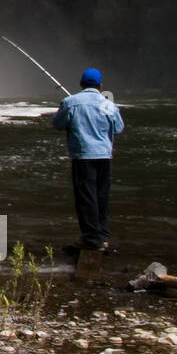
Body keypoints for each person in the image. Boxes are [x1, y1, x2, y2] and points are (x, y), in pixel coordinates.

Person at [52, 68, 124, 253]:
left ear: (81, 84)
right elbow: (118, 128)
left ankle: (91, 239)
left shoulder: (70, 102)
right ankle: (102, 237)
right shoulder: (108, 105)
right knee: (102, 197)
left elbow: (58, 124)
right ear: (100, 85)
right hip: (104, 156)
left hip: (83, 156)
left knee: (86, 198)